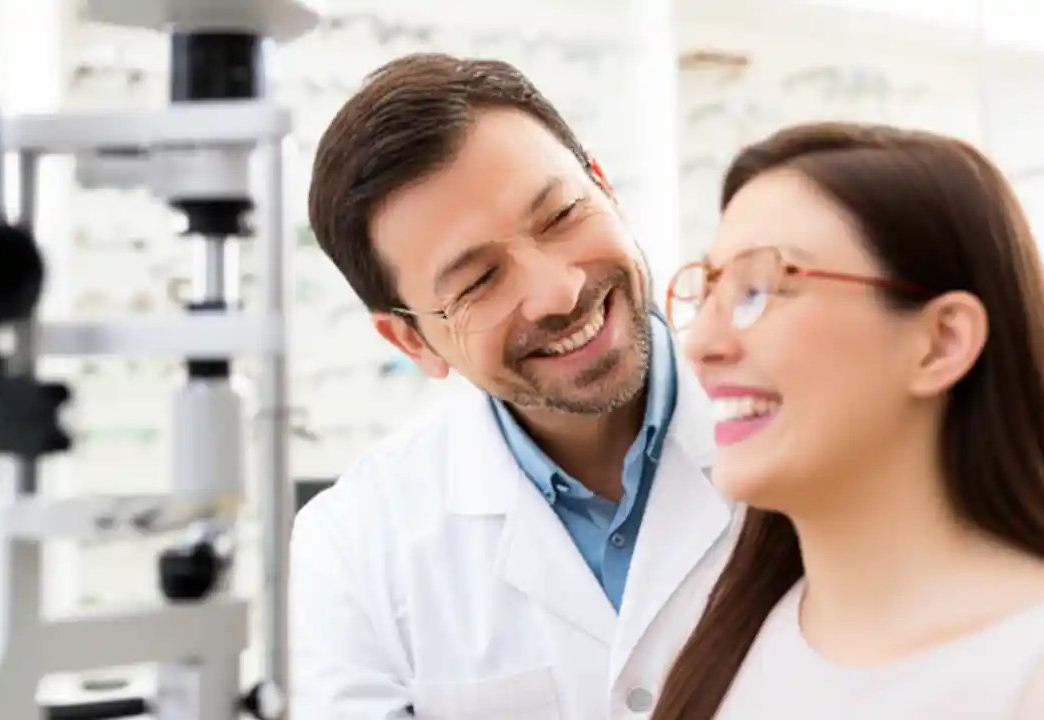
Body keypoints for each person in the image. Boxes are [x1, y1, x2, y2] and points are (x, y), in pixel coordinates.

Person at [287, 53, 736, 718]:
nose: (559, 291)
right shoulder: (352, 546)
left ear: (605, 187)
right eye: (478, 282)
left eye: (562, 215)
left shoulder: (818, 421)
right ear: (412, 341)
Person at [649, 121, 1044, 720]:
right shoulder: (724, 643)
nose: (701, 345)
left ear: (941, 342)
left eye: (758, 290)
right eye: (709, 294)